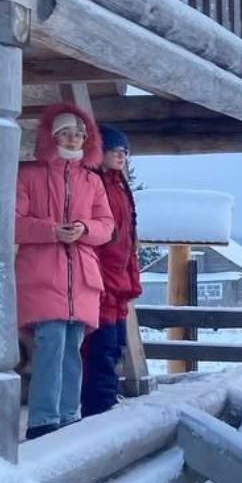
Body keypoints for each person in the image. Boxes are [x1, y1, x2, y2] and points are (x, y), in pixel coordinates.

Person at [15, 103, 114, 441]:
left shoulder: (92, 181)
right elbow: (14, 223)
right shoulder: (28, 175)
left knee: (72, 346)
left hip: (82, 279)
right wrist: (52, 230)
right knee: (51, 344)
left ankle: (69, 416)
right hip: (43, 273)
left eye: (79, 135)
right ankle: (43, 420)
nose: (73, 140)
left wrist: (83, 229)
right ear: (52, 136)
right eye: (66, 133)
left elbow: (106, 227)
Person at [81, 126, 141, 418]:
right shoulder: (94, 182)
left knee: (115, 343)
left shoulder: (119, 185)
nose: (121, 156)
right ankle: (97, 406)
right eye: (115, 150)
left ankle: (106, 400)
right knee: (100, 345)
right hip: (100, 275)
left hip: (118, 276)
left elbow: (127, 236)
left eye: (124, 152)